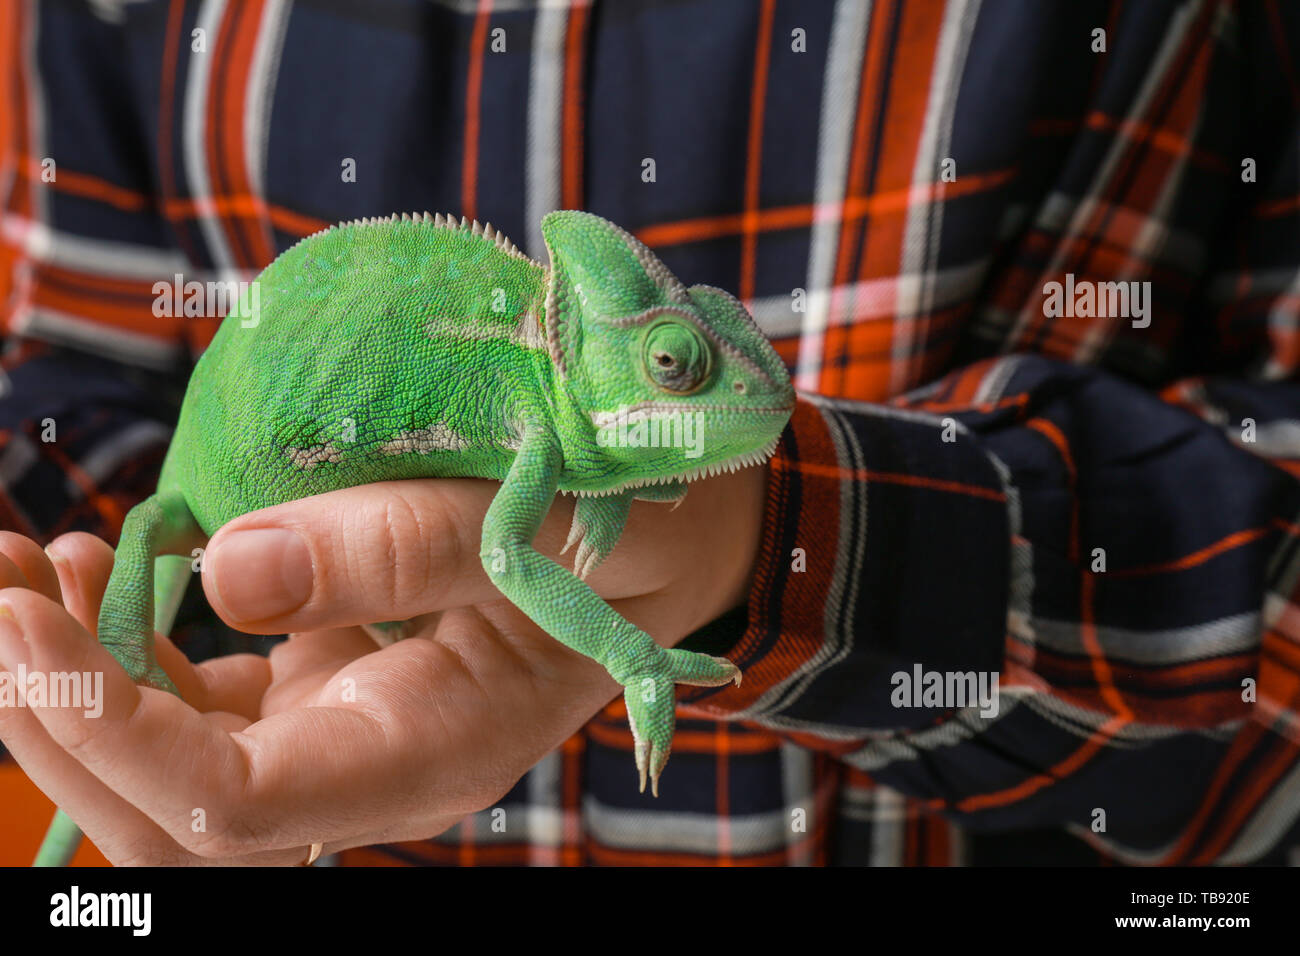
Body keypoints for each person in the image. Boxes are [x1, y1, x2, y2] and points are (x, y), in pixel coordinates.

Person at [1, 0, 1298, 866]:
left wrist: (764, 553)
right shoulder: (532, 403)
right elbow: (81, 382)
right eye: (676, 370)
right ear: (586, 354)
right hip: (193, 501)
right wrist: (629, 649)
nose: (723, 395)